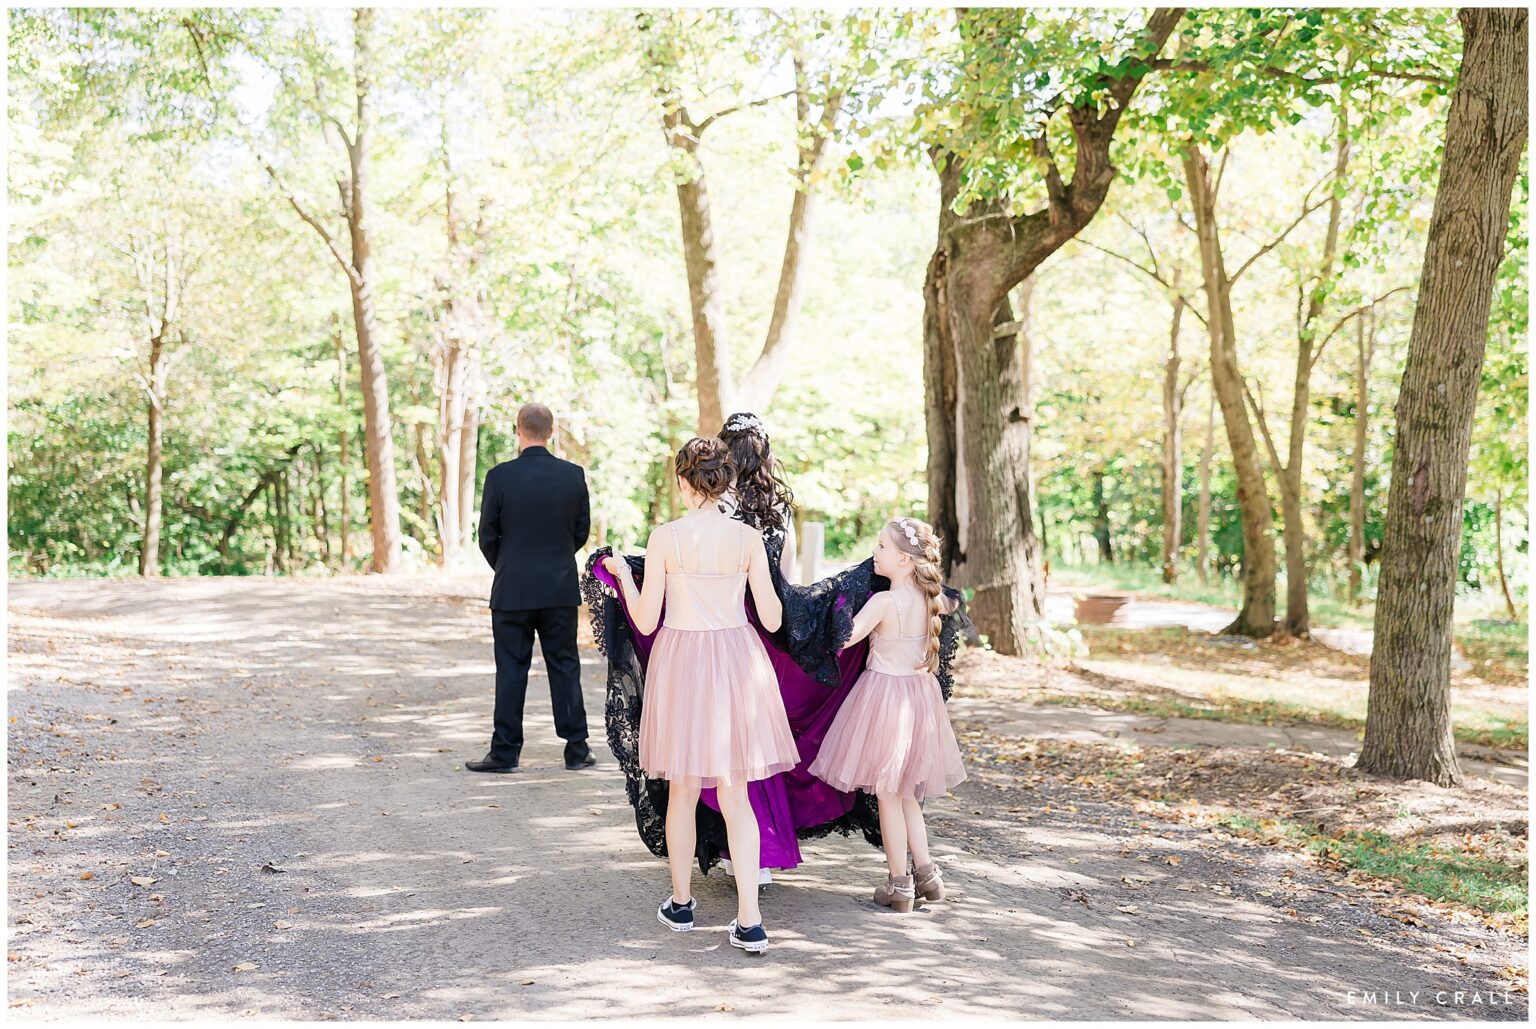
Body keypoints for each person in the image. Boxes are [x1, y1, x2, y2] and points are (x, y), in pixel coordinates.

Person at [601, 437, 798, 955]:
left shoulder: (665, 537)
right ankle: (750, 921)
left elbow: (645, 619)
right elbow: (774, 618)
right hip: (737, 661)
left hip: (683, 664)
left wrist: (623, 575)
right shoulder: (749, 539)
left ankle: (682, 904)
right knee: (738, 796)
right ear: (725, 482)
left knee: (684, 790)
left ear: (685, 484)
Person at [809, 517, 967, 911]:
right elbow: (954, 602)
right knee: (907, 792)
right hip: (919, 700)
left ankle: (900, 884)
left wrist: (839, 602)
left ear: (903, 560)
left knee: (887, 794)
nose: (874, 553)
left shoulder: (883, 602)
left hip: (885, 700)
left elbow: (844, 638)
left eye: (881, 547)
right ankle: (928, 875)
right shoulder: (934, 600)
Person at [468, 403, 595, 773]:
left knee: (510, 669)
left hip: (513, 590)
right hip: (558, 588)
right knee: (565, 665)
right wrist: (554, 559)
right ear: (551, 433)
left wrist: (509, 565)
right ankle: (576, 749)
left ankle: (505, 754)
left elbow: (487, 535)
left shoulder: (499, 476)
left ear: (517, 430)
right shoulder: (573, 475)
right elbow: (580, 532)